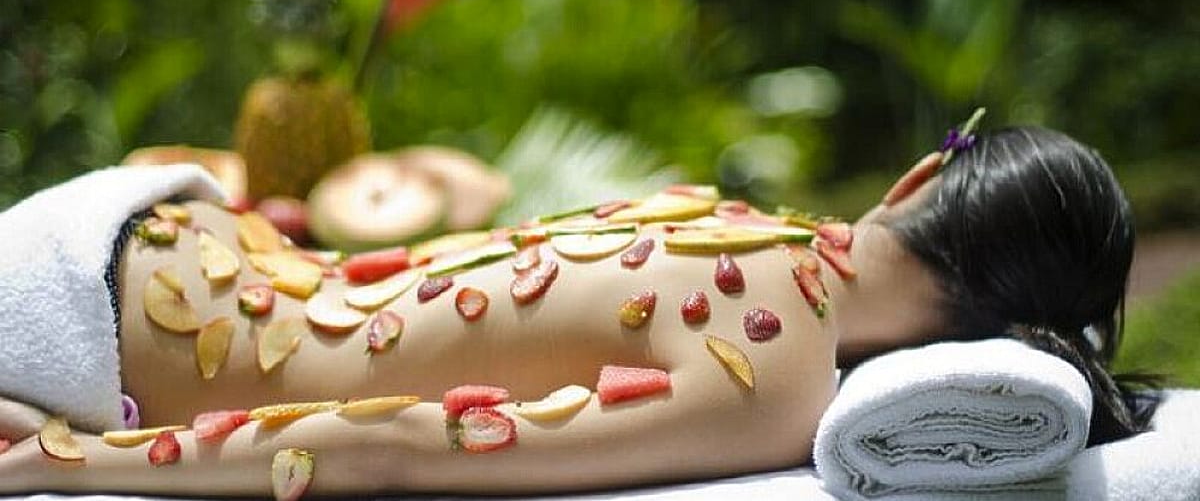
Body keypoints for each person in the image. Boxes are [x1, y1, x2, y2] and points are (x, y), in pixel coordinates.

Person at [0, 123, 1155, 497]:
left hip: (153, 237)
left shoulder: (730, 215)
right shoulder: (777, 378)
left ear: (917, 179)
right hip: (109, 322)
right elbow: (413, 445)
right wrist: (71, 458)